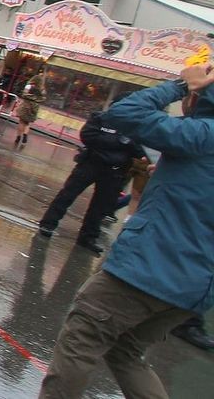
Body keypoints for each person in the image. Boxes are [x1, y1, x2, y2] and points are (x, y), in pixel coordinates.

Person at [38, 63, 214, 399]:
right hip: (195, 286)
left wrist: (180, 85)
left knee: (82, 337)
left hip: (150, 268)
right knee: (126, 352)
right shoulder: (197, 143)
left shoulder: (202, 134)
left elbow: (123, 112)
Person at [36, 103, 148, 253]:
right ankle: (48, 224)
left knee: (100, 206)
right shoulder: (100, 118)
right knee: (67, 194)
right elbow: (88, 137)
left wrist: (124, 143)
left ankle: (88, 237)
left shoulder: (133, 126)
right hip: (90, 164)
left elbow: (139, 150)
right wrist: (119, 141)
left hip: (115, 170)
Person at [14, 66, 47, 148]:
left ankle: (18, 137)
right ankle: (25, 135)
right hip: (34, 107)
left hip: (26, 105)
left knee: (21, 122)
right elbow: (43, 98)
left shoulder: (29, 86)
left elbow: (24, 94)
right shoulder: (42, 89)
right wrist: (36, 99)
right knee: (27, 123)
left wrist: (29, 97)